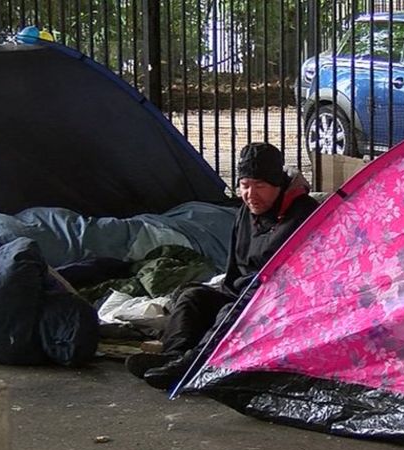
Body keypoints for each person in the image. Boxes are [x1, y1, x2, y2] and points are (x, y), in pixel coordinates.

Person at [125, 142, 319, 389]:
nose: (250, 195)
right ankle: (173, 356)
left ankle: (196, 363)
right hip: (239, 294)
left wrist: (239, 301)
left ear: (278, 186)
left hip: (275, 303)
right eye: (245, 186)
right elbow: (234, 270)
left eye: (260, 186)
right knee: (192, 297)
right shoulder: (245, 213)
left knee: (231, 313)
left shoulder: (304, 214)